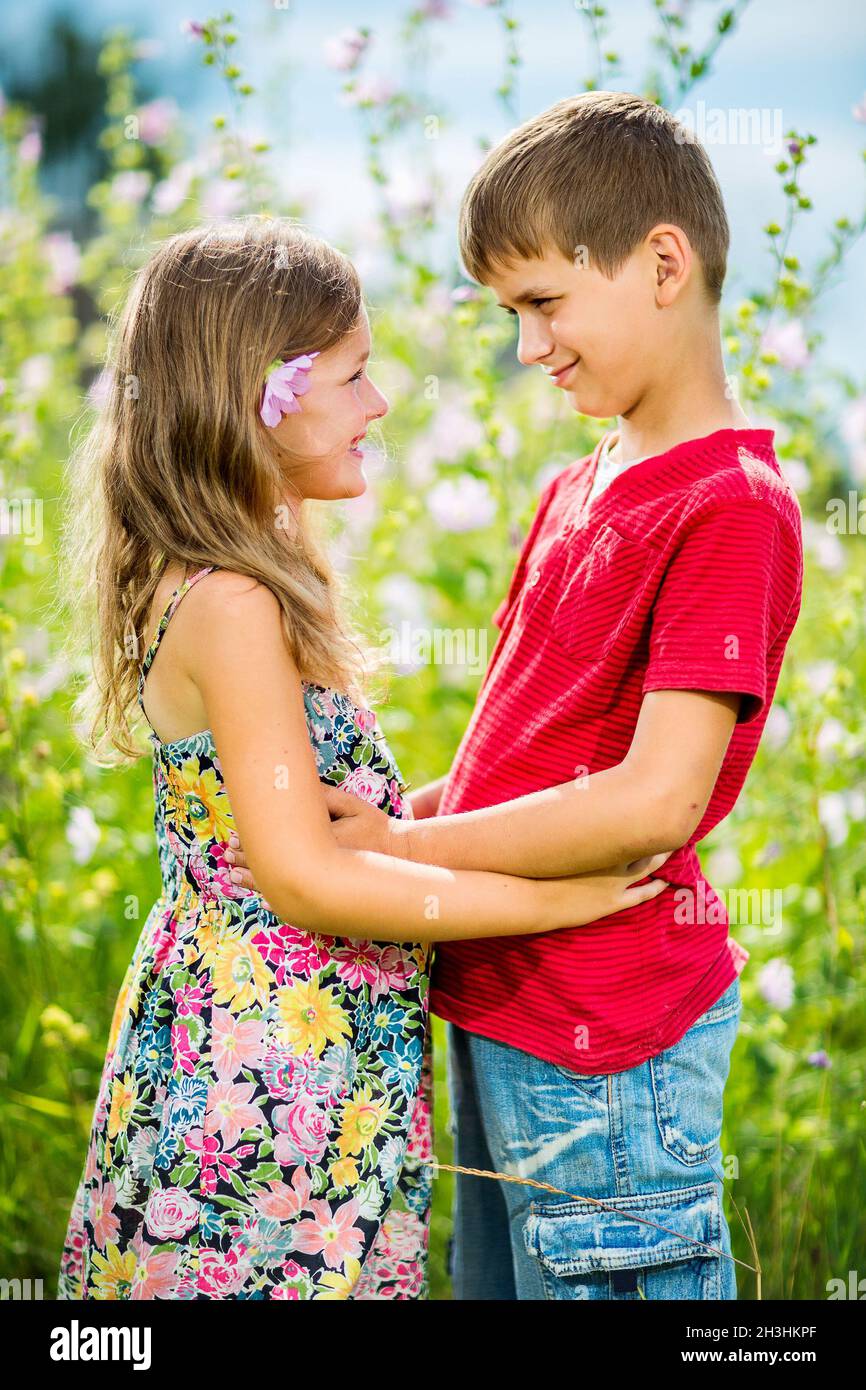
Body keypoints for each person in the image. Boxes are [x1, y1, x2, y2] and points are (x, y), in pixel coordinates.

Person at [229, 93, 804, 1300]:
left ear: (660, 263)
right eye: (509, 315)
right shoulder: (577, 482)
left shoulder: (731, 507)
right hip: (508, 1006)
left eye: (543, 303)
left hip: (611, 1029)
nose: (530, 345)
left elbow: (652, 801)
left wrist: (408, 843)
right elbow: (522, 751)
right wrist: (393, 813)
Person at [55, 216, 670, 1302]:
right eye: (352, 375)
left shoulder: (255, 565)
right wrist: (559, 898)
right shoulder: (232, 600)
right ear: (260, 397)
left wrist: (525, 800)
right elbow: (307, 876)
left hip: (301, 1070)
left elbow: (343, 815)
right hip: (264, 1090)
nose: (379, 405)